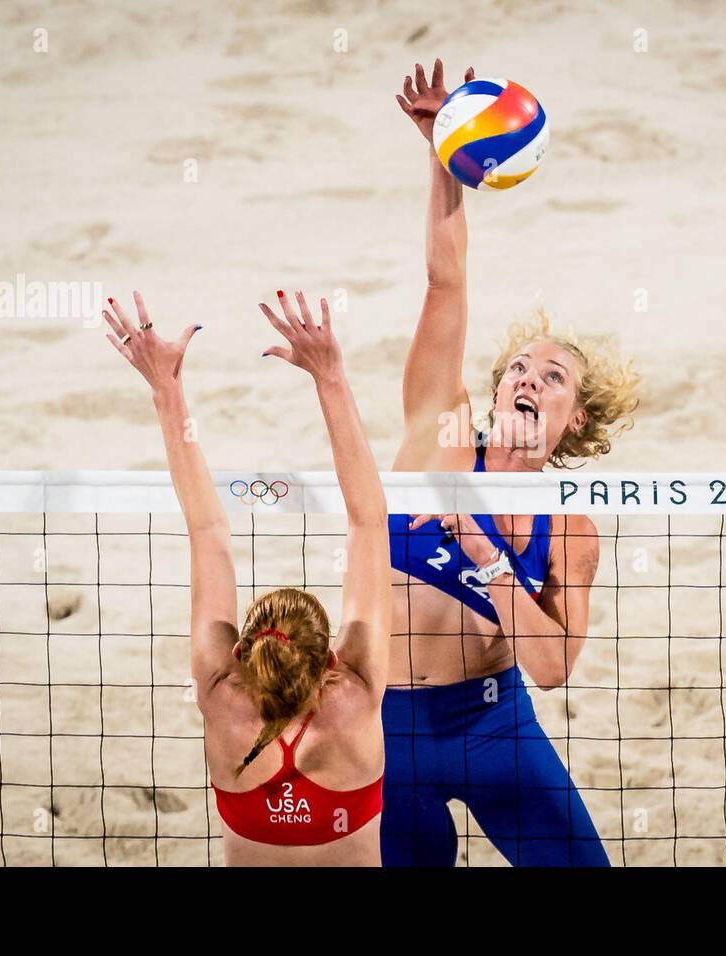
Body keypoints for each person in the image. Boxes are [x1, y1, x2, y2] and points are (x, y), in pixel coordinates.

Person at [383, 60, 641, 866]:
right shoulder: (441, 435)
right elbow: (444, 283)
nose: (527, 377)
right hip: (385, 731)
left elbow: (555, 667)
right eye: (519, 368)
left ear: (575, 420)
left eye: (552, 377)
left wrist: (488, 555)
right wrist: (446, 159)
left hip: (496, 724)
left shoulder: (569, 528)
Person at [103, 289, 390, 865]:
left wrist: (166, 389)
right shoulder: (353, 700)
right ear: (330, 658)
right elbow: (369, 521)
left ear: (239, 651)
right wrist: (330, 376)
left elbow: (208, 529)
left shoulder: (224, 702)